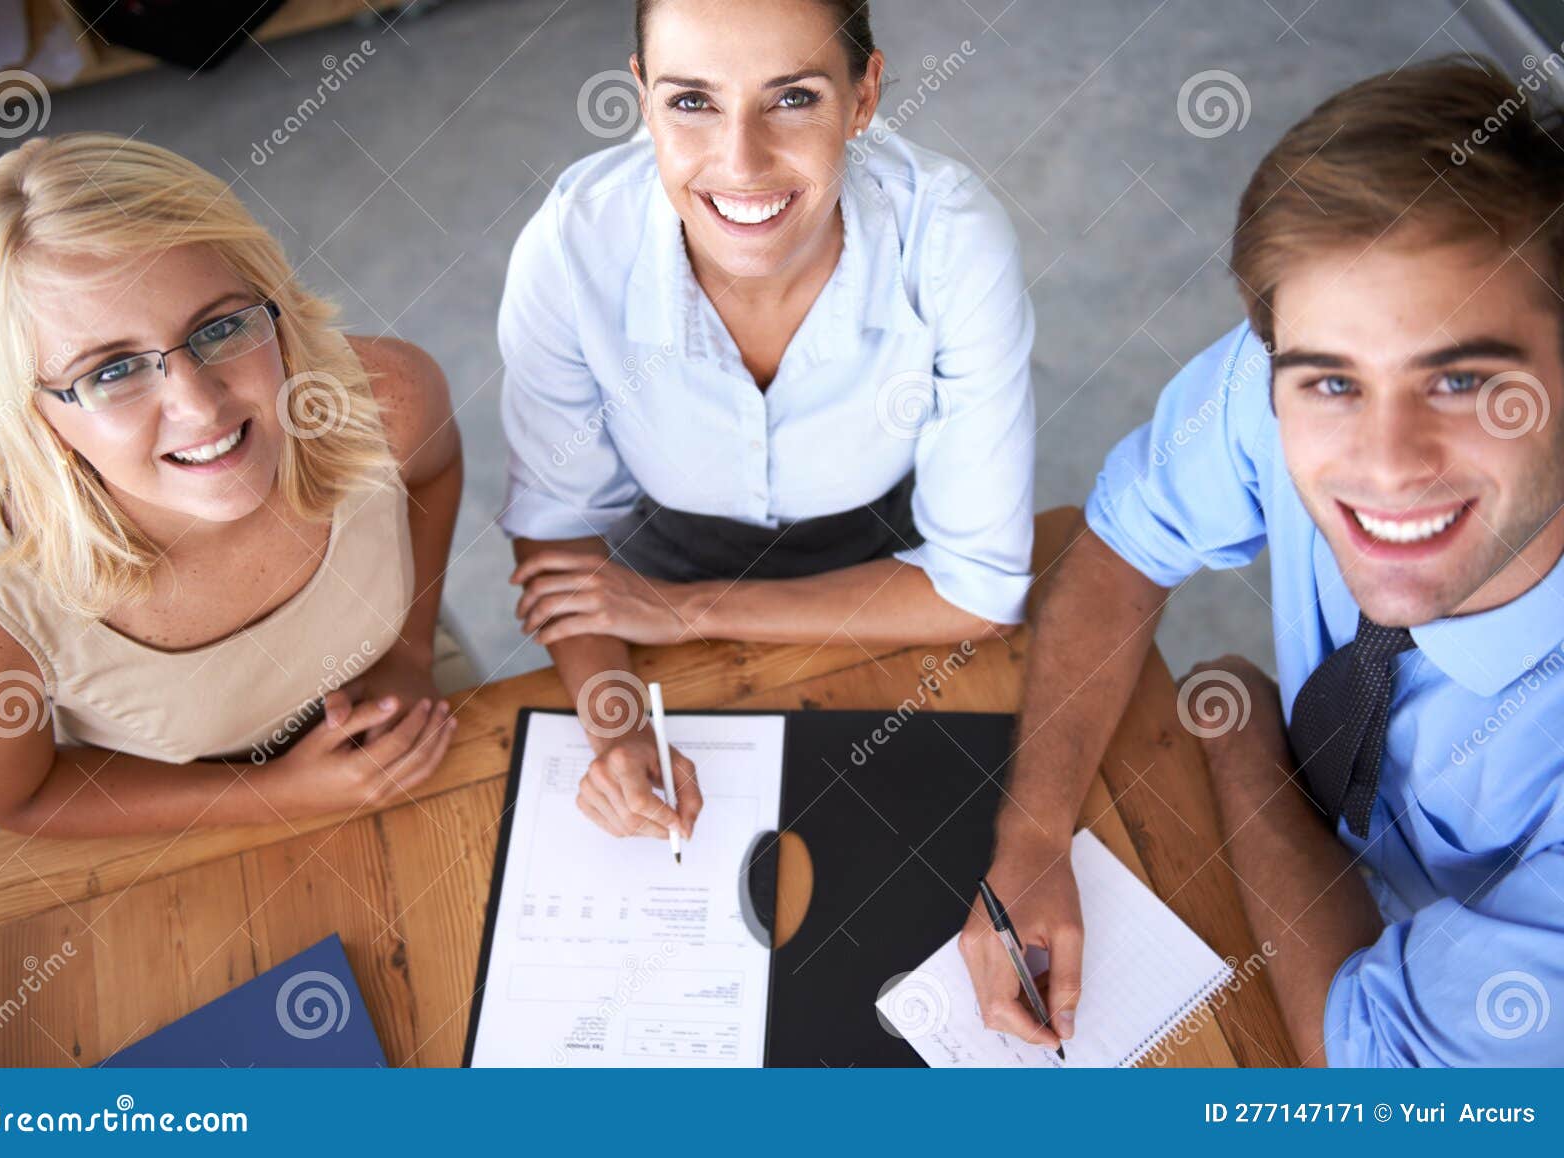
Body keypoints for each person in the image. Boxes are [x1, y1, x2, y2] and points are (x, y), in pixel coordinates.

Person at [962, 57, 1564, 1066]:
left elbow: (1376, 1072)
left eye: (1459, 380)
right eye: (1331, 382)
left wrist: (1246, 743)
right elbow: (1119, 542)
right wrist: (1028, 847)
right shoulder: (1282, 375)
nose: (1382, 464)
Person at [497, 0, 1036, 842]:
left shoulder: (950, 241)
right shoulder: (573, 248)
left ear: (864, 96)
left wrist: (691, 610)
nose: (740, 163)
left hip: (883, 566)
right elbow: (562, 529)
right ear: (641, 99)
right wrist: (621, 724)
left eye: (792, 98)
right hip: (649, 574)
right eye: (691, 102)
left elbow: (975, 587)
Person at [0, 134, 465, 838]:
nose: (200, 407)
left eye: (220, 327)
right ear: (32, 411)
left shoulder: (383, 400)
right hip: (187, 814)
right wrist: (277, 793)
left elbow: (435, 469)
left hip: (402, 703)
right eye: (110, 372)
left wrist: (410, 646)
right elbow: (20, 800)